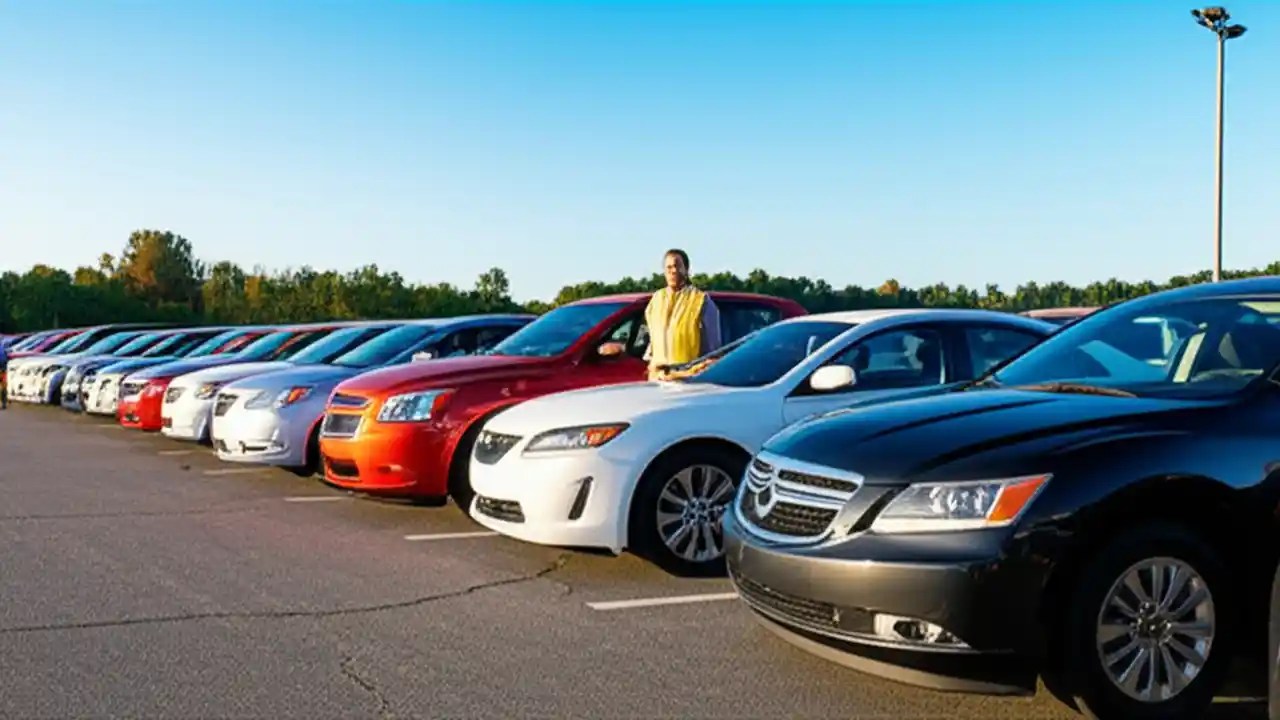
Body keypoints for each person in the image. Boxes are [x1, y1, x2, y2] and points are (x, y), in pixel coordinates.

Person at [643, 248, 722, 380]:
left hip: (688, 379)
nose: (673, 271)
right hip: (658, 379)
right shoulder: (655, 301)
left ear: (686, 270)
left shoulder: (701, 301)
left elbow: (712, 350)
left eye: (677, 266)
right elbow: (650, 341)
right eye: (669, 267)